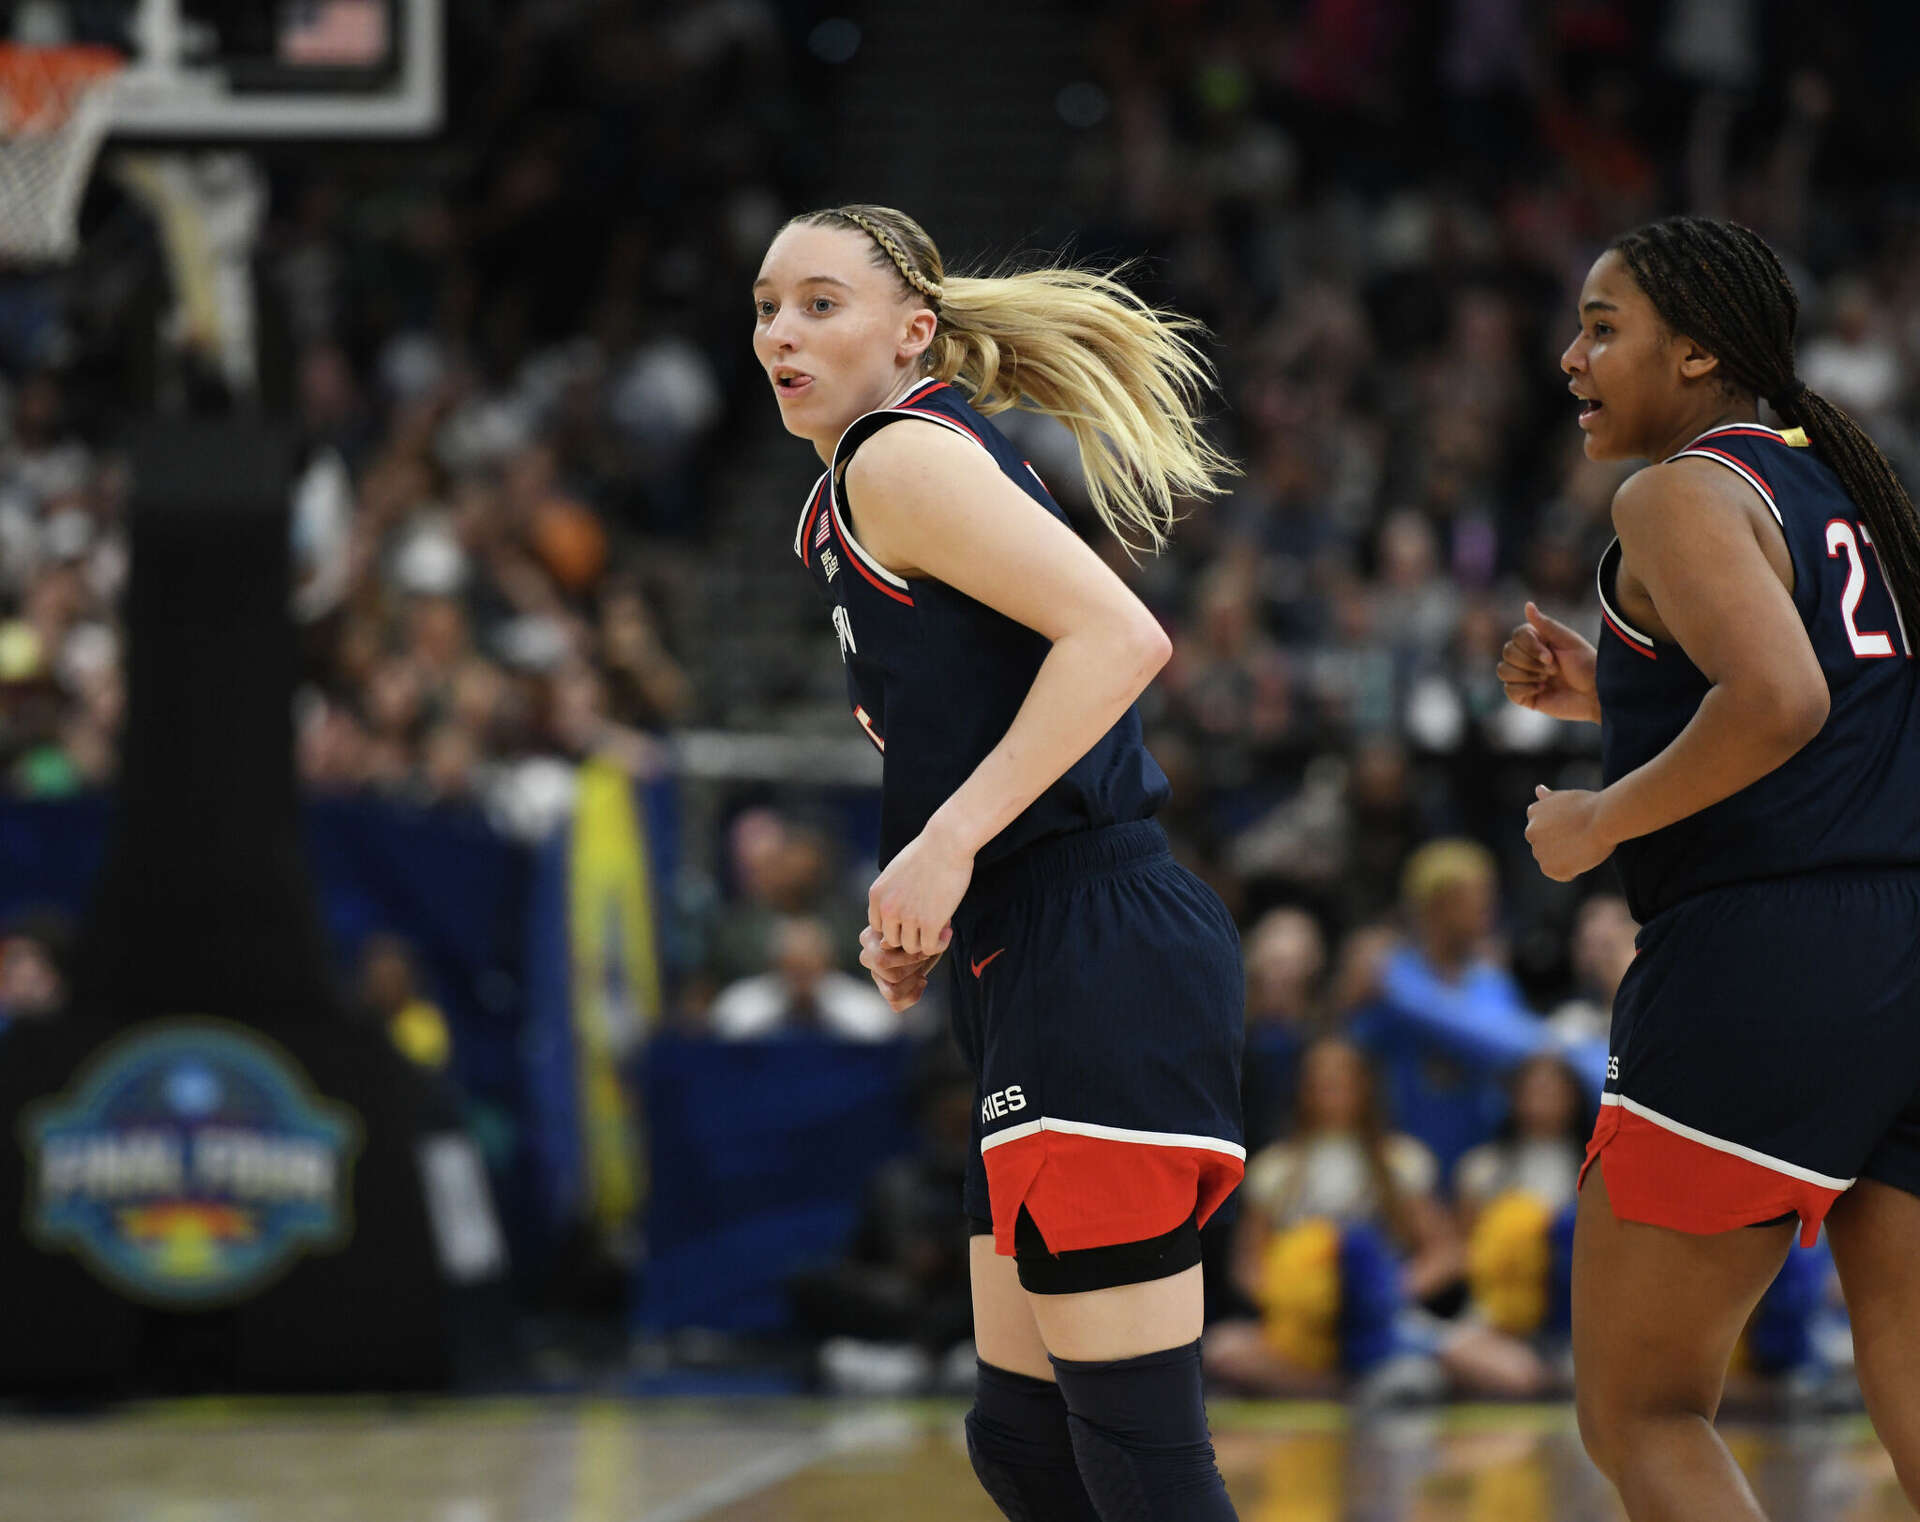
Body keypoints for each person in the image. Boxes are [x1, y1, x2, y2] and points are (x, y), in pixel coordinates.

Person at [755, 203, 1244, 1521]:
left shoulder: (895, 458)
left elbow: (1121, 637)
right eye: (766, 307)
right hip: (1030, 952)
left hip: (1097, 945)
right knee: (1028, 1445)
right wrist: (930, 884)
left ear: (914, 331)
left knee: (1143, 1463)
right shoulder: (874, 485)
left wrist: (948, 839)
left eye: (818, 304)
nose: (779, 333)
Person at [1498, 214, 1920, 1520]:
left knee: (1643, 1410)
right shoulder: (1846, 487)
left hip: (1762, 964)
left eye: (1604, 326)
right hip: (1903, 949)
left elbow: (1784, 702)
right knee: (1908, 1359)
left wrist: (1601, 815)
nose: (1572, 356)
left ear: (1695, 353)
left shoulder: (1674, 490)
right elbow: (1840, 703)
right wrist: (1623, 686)